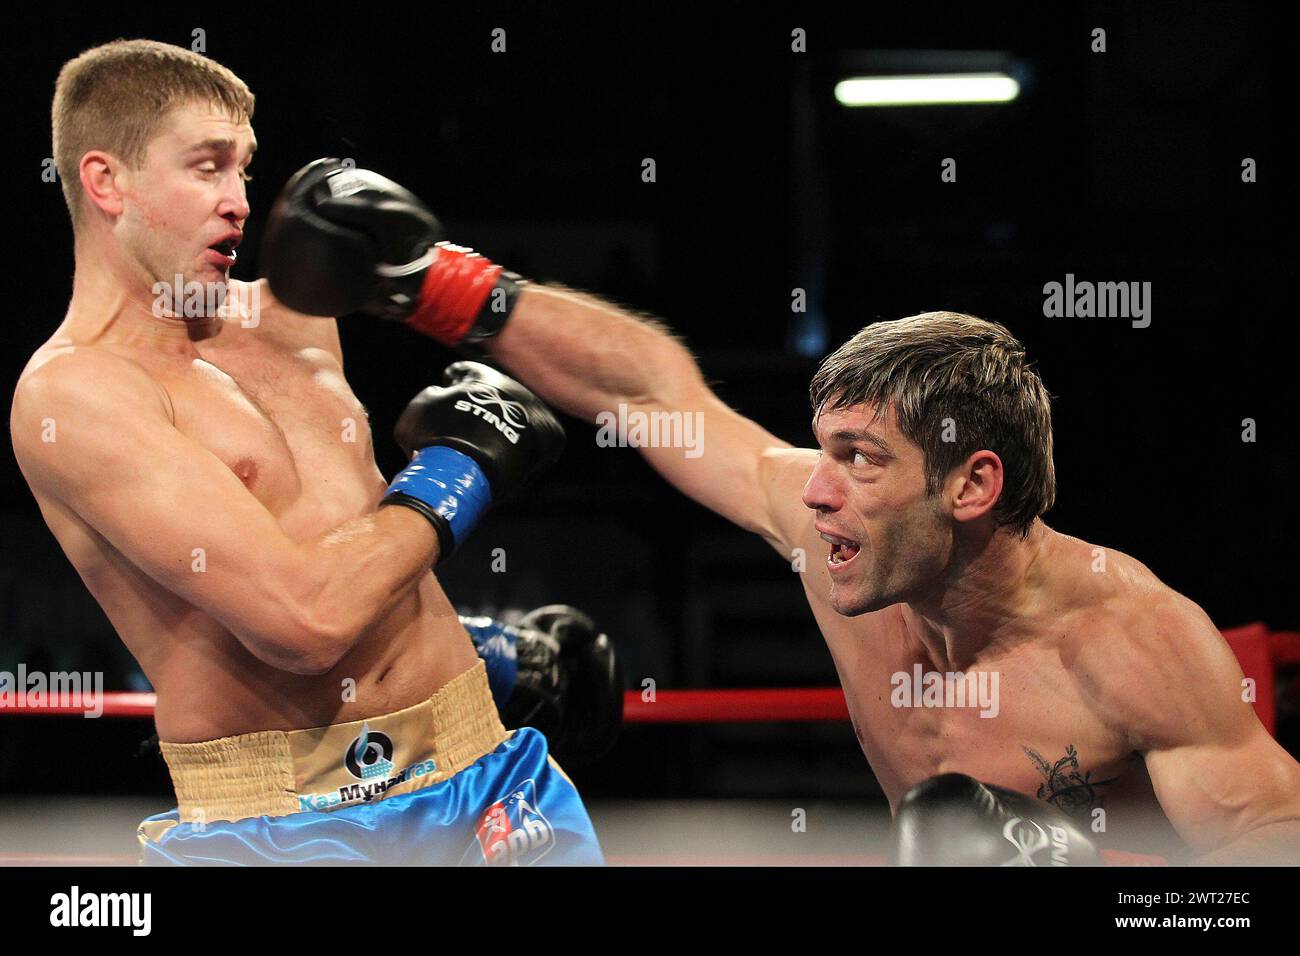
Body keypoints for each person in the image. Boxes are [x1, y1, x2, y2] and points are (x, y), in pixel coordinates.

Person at [263, 155, 1300, 864]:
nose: (814, 488)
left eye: (859, 460)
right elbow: (654, 395)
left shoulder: (1135, 644)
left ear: (971, 485)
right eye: (823, 449)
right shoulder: (834, 535)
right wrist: (429, 282)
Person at [11, 39, 607, 866]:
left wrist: (479, 650)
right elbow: (302, 622)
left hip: (492, 776)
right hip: (283, 827)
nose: (239, 202)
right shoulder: (74, 395)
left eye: (245, 171)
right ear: (106, 181)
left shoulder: (292, 318)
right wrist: (460, 466)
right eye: (207, 167)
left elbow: (340, 523)